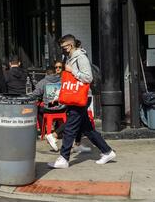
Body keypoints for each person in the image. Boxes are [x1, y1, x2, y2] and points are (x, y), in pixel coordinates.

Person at [48, 35, 116, 169]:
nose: (63, 50)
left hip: (79, 98)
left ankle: (63, 158)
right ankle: (107, 151)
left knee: (69, 129)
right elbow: (69, 81)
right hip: (75, 97)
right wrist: (59, 95)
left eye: (64, 47)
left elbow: (88, 78)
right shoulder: (71, 58)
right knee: (88, 130)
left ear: (70, 45)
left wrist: (72, 70)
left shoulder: (81, 58)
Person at [44, 60, 92, 153]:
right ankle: (54, 135)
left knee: (80, 120)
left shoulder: (68, 73)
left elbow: (65, 86)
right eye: (56, 67)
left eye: (60, 67)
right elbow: (66, 86)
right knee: (74, 119)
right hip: (77, 98)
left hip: (77, 97)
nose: (58, 69)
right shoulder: (65, 74)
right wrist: (57, 98)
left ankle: (77, 144)